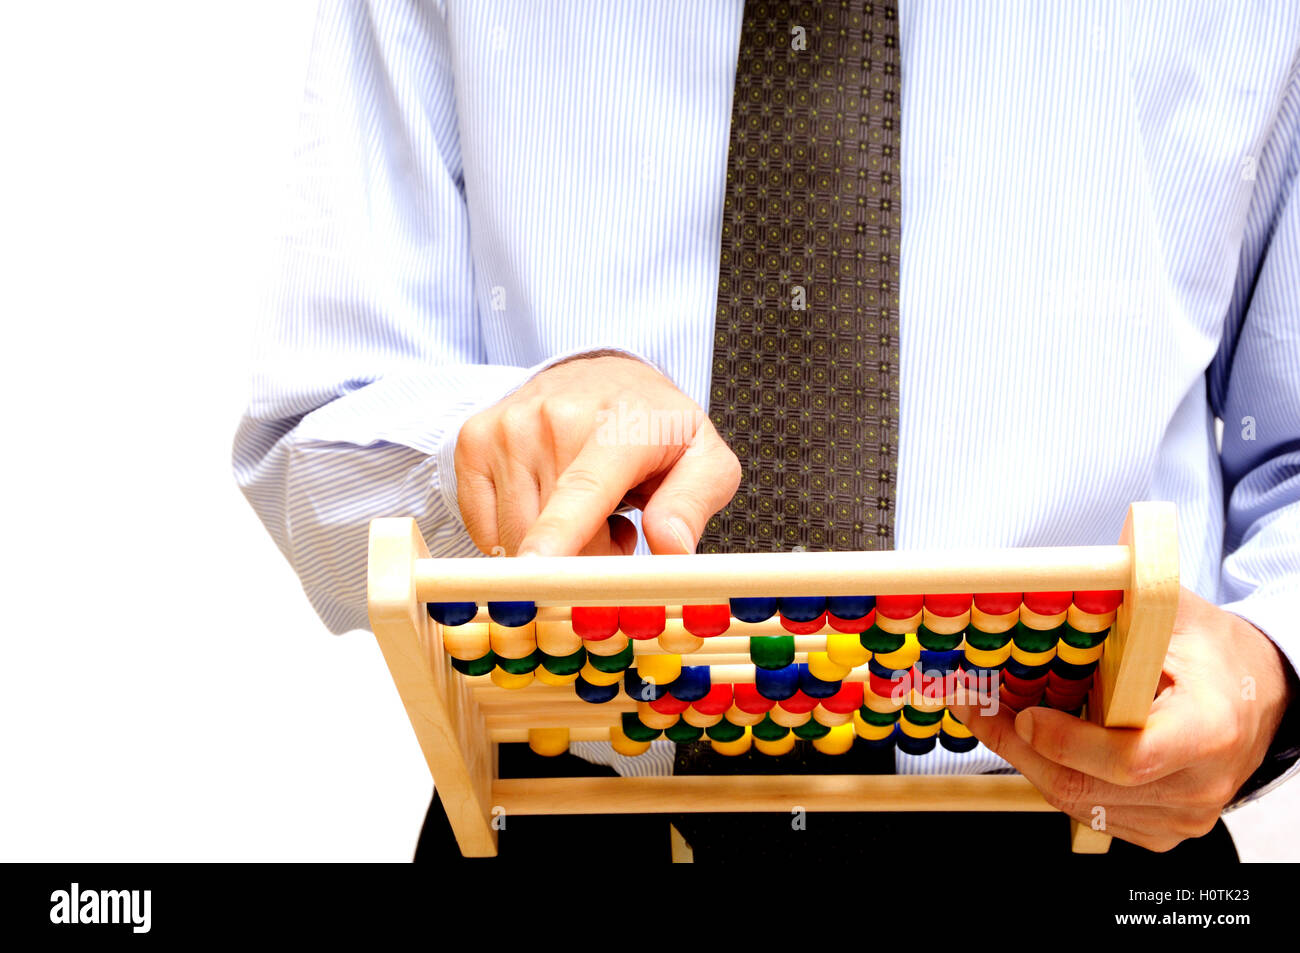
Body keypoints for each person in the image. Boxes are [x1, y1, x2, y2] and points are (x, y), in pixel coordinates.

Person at [234, 0, 1300, 860]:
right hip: (566, 823)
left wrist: (1266, 673)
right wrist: (496, 457)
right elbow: (318, 442)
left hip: (1083, 825)